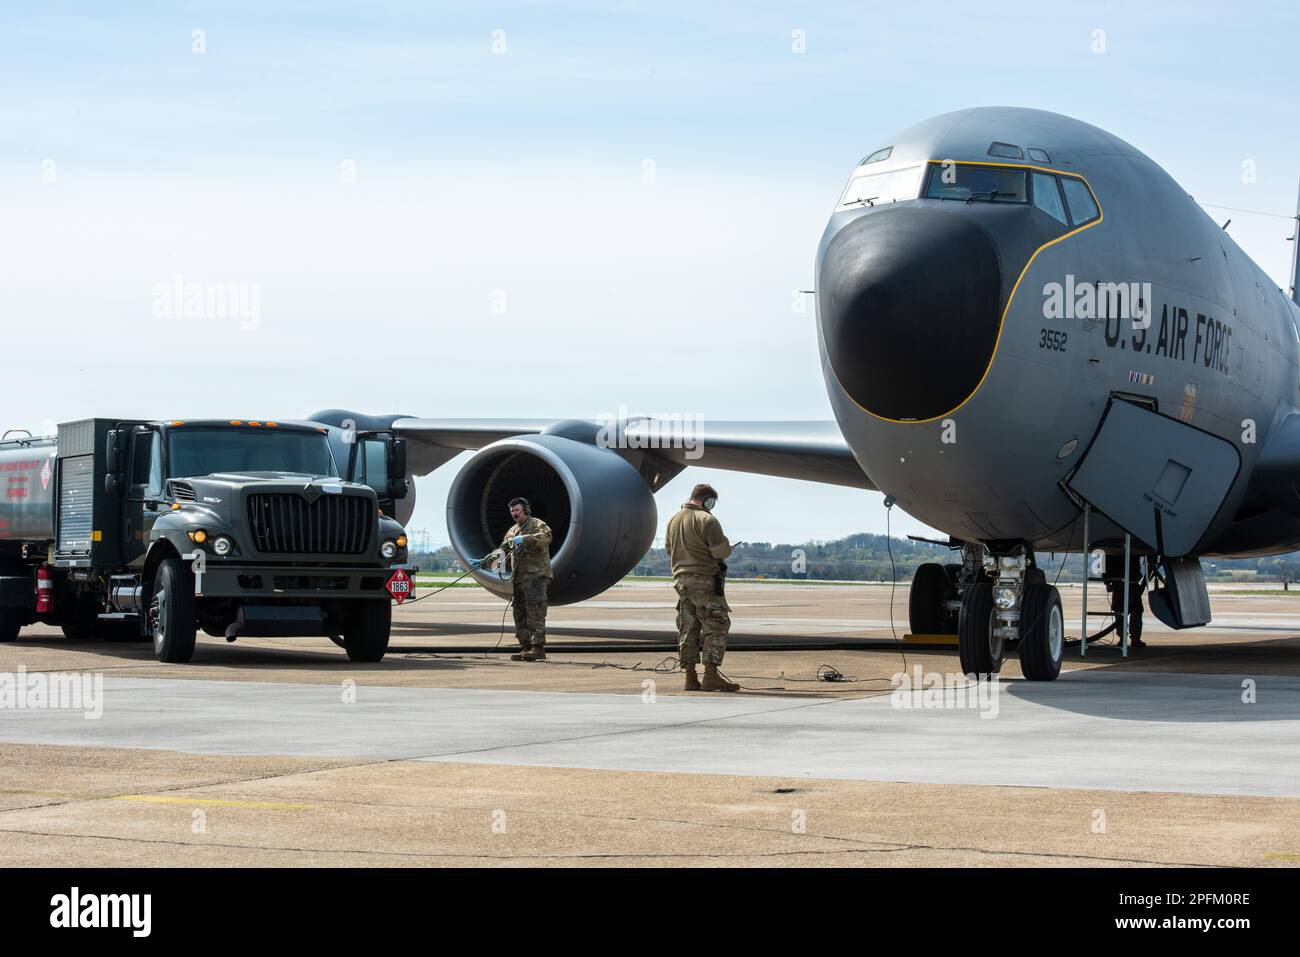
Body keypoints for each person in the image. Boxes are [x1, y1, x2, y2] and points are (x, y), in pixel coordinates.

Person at [664, 483, 738, 692]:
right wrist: (728, 548)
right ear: (707, 500)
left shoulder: (673, 519)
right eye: (712, 502)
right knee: (716, 624)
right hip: (704, 580)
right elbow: (718, 553)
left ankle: (690, 677)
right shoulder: (708, 519)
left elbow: (669, 550)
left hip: (681, 581)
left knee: (688, 628)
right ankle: (711, 676)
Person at [474, 497, 553, 661]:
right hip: (519, 578)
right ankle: (526, 648)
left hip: (536, 576)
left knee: (535, 611)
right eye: (511, 511)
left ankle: (538, 648)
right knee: (519, 613)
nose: (514, 514)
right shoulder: (512, 531)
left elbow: (546, 538)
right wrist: (484, 561)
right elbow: (501, 551)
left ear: (525, 510)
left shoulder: (537, 525)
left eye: (516, 510)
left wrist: (526, 539)